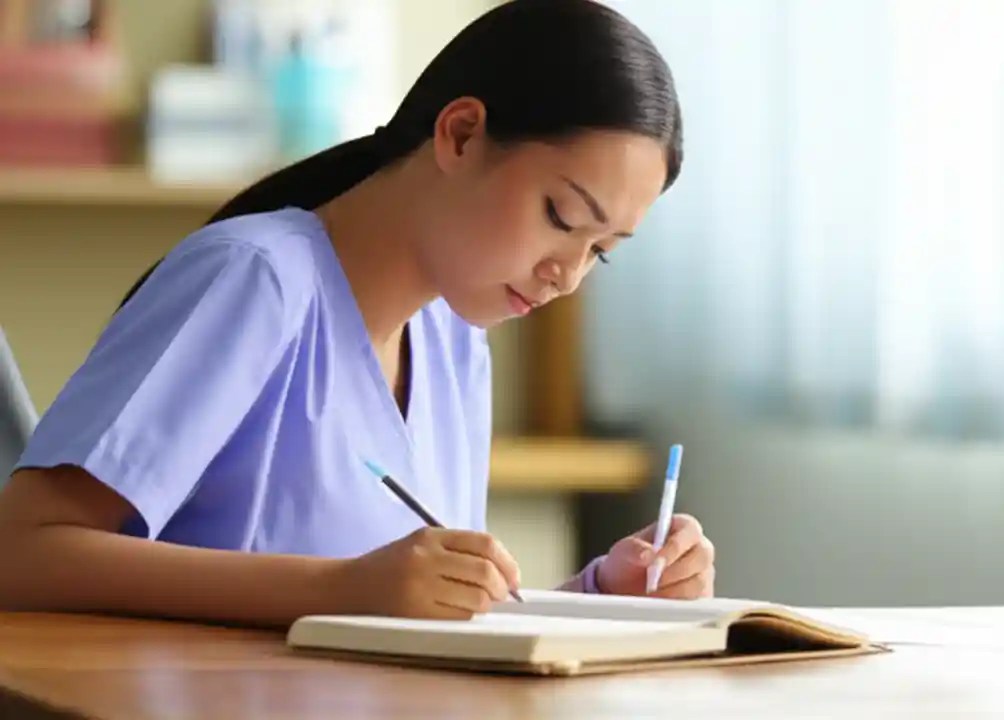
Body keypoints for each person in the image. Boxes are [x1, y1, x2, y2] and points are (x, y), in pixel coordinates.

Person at [0, 0, 714, 627]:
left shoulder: (456, 342)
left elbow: (423, 623)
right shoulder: (257, 281)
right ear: (461, 134)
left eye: (602, 251)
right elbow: (20, 553)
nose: (567, 276)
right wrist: (339, 588)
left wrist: (607, 595)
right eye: (560, 216)